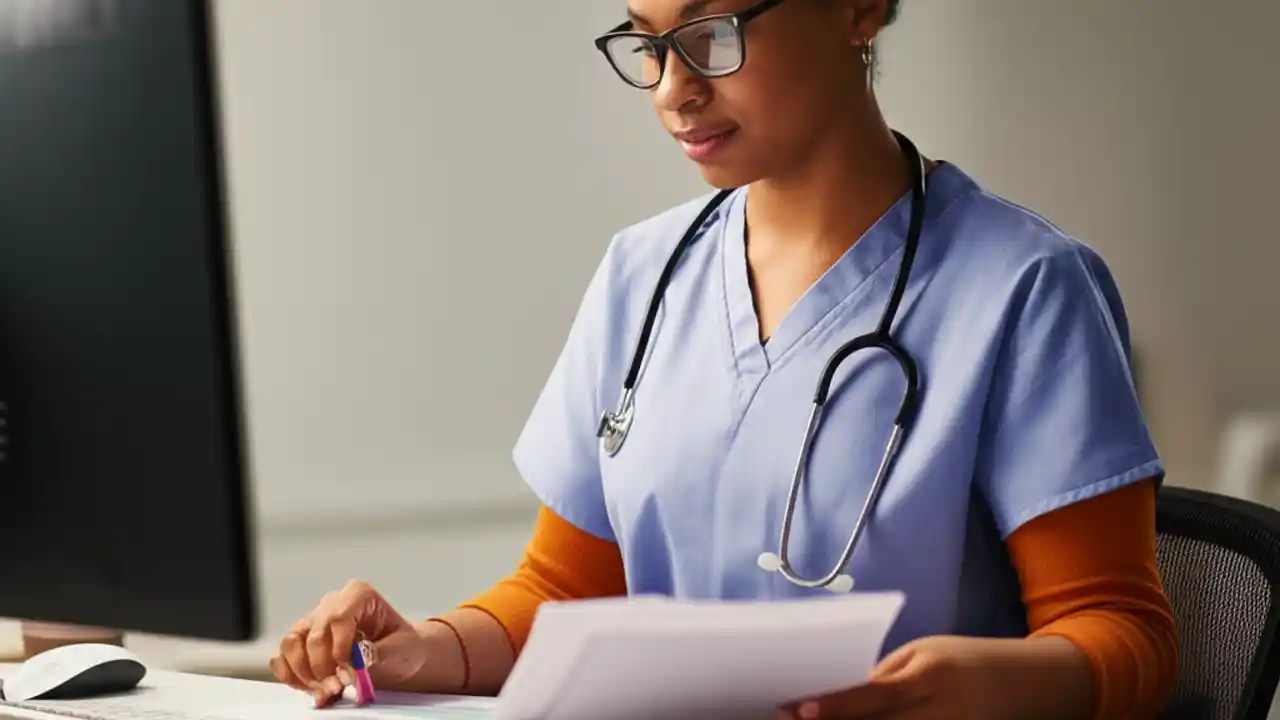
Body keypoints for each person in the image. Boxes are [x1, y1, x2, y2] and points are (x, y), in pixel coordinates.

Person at [270, 0, 1180, 717]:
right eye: (647, 43)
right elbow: (566, 590)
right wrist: (419, 649)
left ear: (859, 8)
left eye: (713, 35)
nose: (673, 88)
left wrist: (989, 688)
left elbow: (1126, 638)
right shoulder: (644, 273)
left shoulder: (1024, 288)